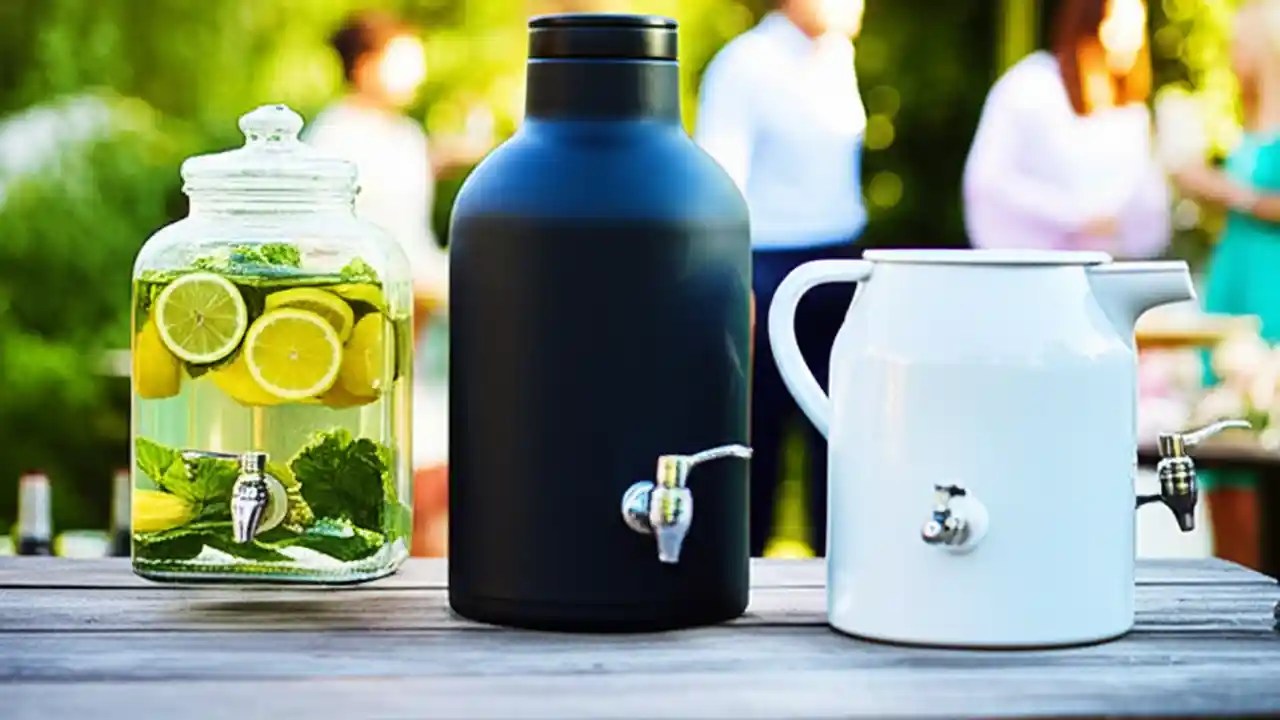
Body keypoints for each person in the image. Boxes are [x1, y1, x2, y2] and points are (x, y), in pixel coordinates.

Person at [695, 0, 868, 557]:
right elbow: (721, 184)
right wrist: (733, 286)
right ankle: (744, 579)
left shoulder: (838, 57)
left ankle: (837, 573)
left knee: (837, 440)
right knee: (758, 439)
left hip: (839, 268)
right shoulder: (743, 64)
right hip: (768, 271)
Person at [305, 11, 449, 556]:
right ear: (365, 67)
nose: (416, 71)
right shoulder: (335, 136)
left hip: (427, 306)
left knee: (436, 468)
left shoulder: (408, 134)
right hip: (372, 311)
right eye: (402, 58)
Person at [1161, 0, 1280, 571]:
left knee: (1260, 441)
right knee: (1223, 448)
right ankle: (1234, 584)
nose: (1233, 58)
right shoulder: (1249, 120)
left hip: (1270, 298)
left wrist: (1217, 188)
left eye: (1241, 45)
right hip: (1233, 294)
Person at [962, 0, 1170, 258]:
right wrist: (1075, 215)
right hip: (1027, 270)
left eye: (1136, 24)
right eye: (1118, 22)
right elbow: (988, 184)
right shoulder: (1030, 87)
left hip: (1101, 278)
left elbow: (1148, 218)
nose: (1130, 38)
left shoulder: (1131, 117)